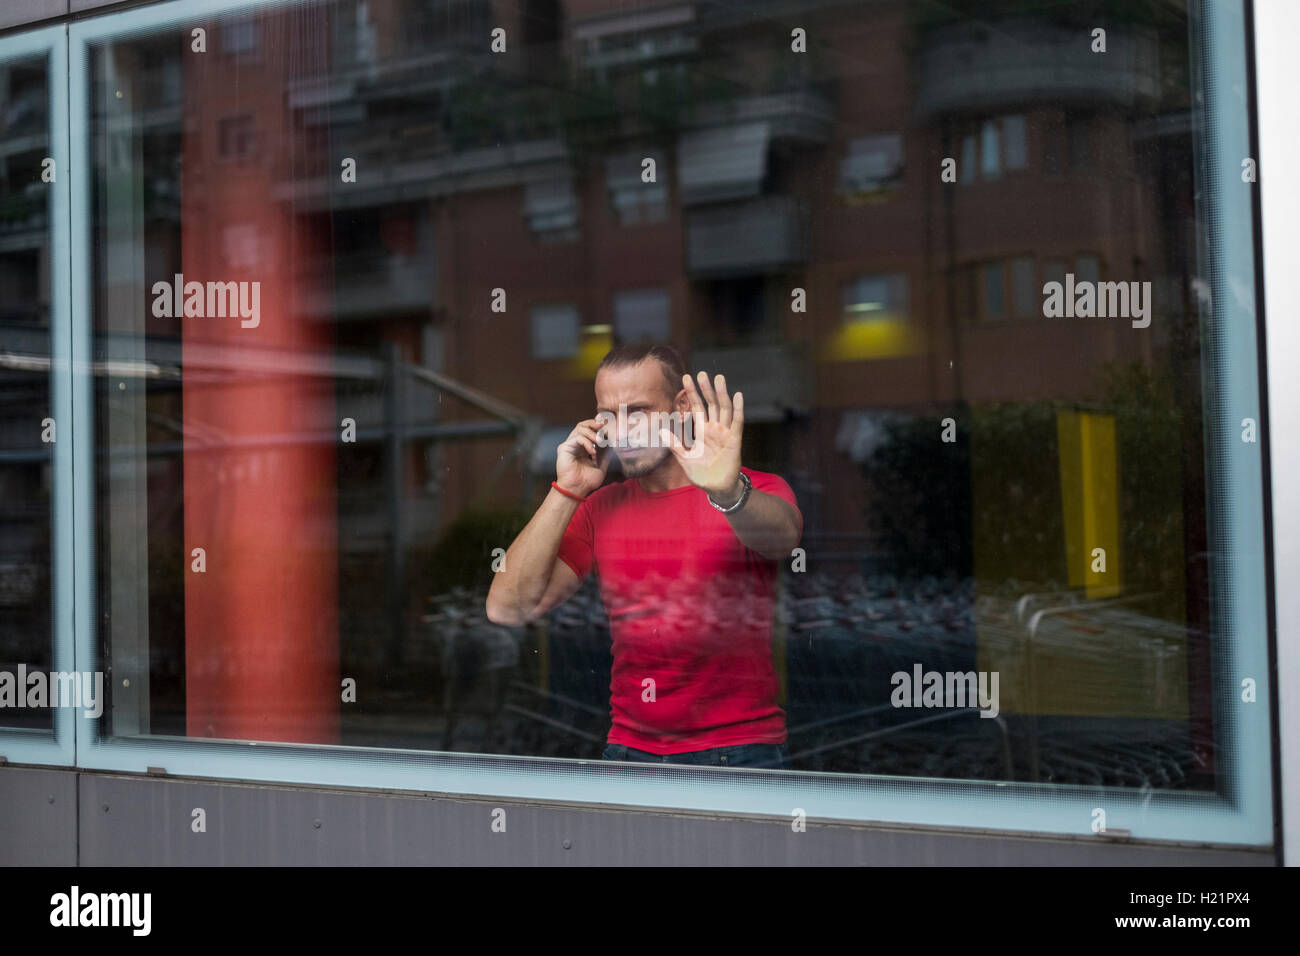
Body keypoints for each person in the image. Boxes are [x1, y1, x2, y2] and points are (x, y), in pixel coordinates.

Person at [485, 343, 802, 769]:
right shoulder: (600, 507)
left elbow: (783, 539)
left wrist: (727, 492)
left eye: (638, 411)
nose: (623, 431)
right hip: (629, 753)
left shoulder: (751, 491)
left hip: (739, 752)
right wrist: (568, 490)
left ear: (682, 405)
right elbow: (508, 607)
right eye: (609, 415)